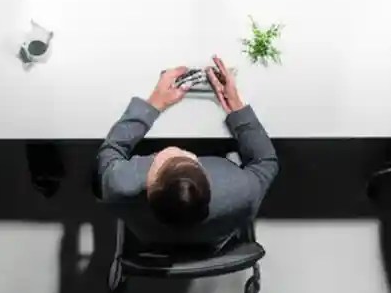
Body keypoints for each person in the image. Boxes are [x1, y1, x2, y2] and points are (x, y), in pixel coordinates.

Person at [97, 56, 279, 247]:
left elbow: (111, 149)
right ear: (205, 172)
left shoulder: (119, 185)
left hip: (151, 241)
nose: (174, 149)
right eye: (185, 156)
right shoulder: (242, 191)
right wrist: (238, 109)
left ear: (148, 188)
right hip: (213, 242)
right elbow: (265, 161)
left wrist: (152, 104)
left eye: (160, 159)